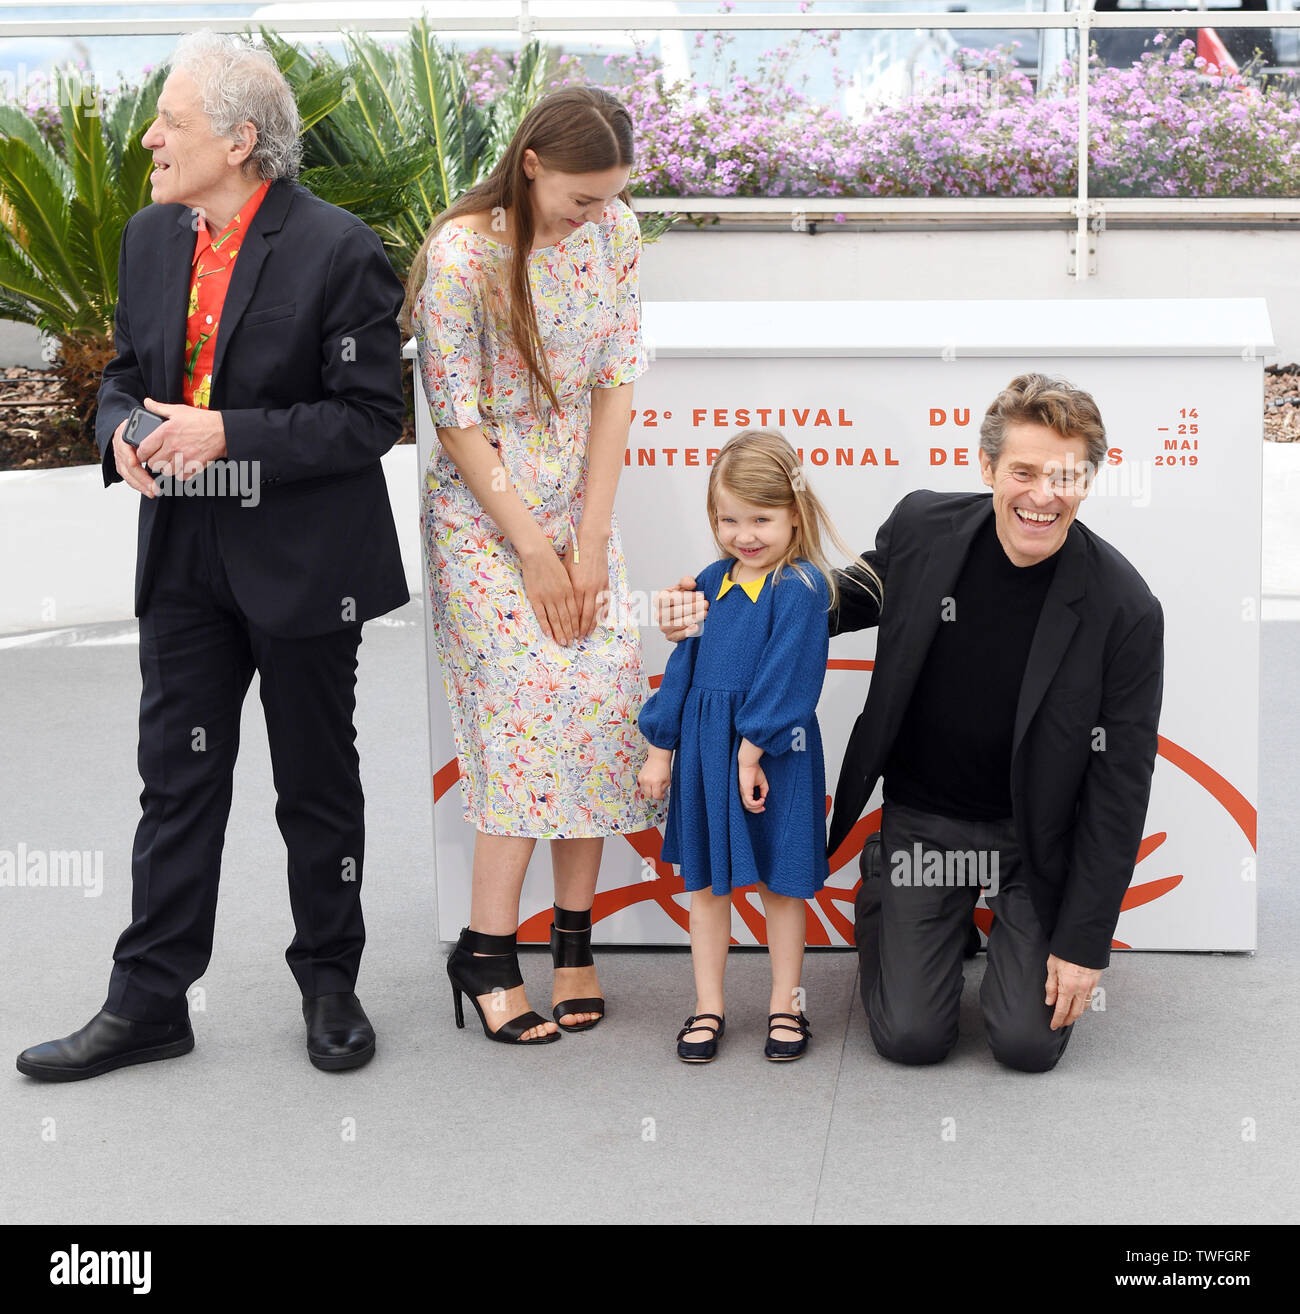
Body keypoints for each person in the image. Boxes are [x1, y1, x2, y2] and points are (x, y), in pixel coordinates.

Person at [16, 32, 408, 1081]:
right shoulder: (150, 238)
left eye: (171, 121)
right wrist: (116, 434)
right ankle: (148, 1001)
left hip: (302, 564)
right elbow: (126, 376)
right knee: (175, 783)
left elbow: (368, 420)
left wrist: (226, 432)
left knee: (316, 787)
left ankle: (330, 983)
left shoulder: (338, 247)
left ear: (239, 141)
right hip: (183, 558)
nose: (149, 136)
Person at [659, 374, 1164, 1072]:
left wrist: (1082, 945)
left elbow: (1119, 790)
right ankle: (901, 901)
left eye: (1065, 476)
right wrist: (714, 618)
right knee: (911, 1039)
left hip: (1038, 842)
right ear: (987, 467)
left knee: (1024, 1044)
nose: (1043, 495)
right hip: (927, 823)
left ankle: (1002, 928)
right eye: (1023, 471)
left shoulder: (1126, 609)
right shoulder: (924, 528)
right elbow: (824, 608)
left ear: (1088, 481)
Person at [405, 87, 661, 1046]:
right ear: (532, 165)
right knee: (524, 715)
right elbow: (457, 418)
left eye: (609, 199)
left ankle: (573, 938)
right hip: (486, 514)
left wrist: (590, 542)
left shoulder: (616, 234)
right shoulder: (463, 257)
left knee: (598, 702)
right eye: (581, 198)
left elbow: (616, 386)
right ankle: (484, 948)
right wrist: (533, 550)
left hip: (577, 504)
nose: (594, 215)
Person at [638, 430, 875, 1062]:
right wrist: (661, 749)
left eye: (762, 518)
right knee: (708, 887)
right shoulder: (710, 580)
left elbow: (788, 678)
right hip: (705, 749)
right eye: (729, 518)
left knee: (782, 885)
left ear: (795, 514)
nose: (745, 534)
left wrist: (750, 754)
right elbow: (682, 668)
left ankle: (784, 1006)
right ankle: (707, 1006)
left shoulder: (800, 587)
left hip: (777, 753)